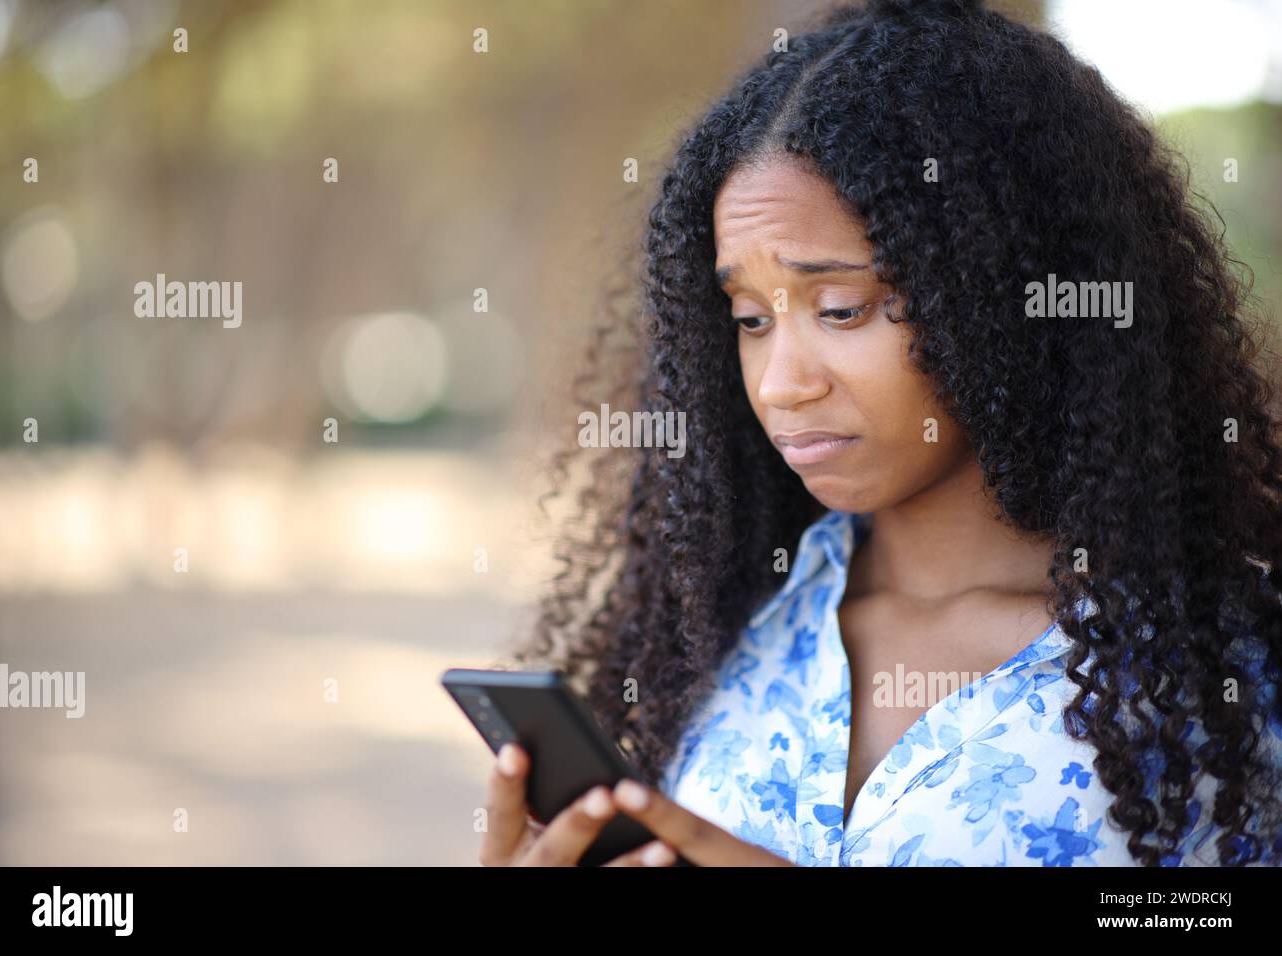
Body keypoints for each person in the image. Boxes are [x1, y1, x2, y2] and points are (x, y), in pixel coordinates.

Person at [480, 0, 1282, 866]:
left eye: (842, 308)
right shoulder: (735, 619)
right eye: (750, 320)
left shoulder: (1214, 676)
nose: (783, 383)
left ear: (1005, 291)